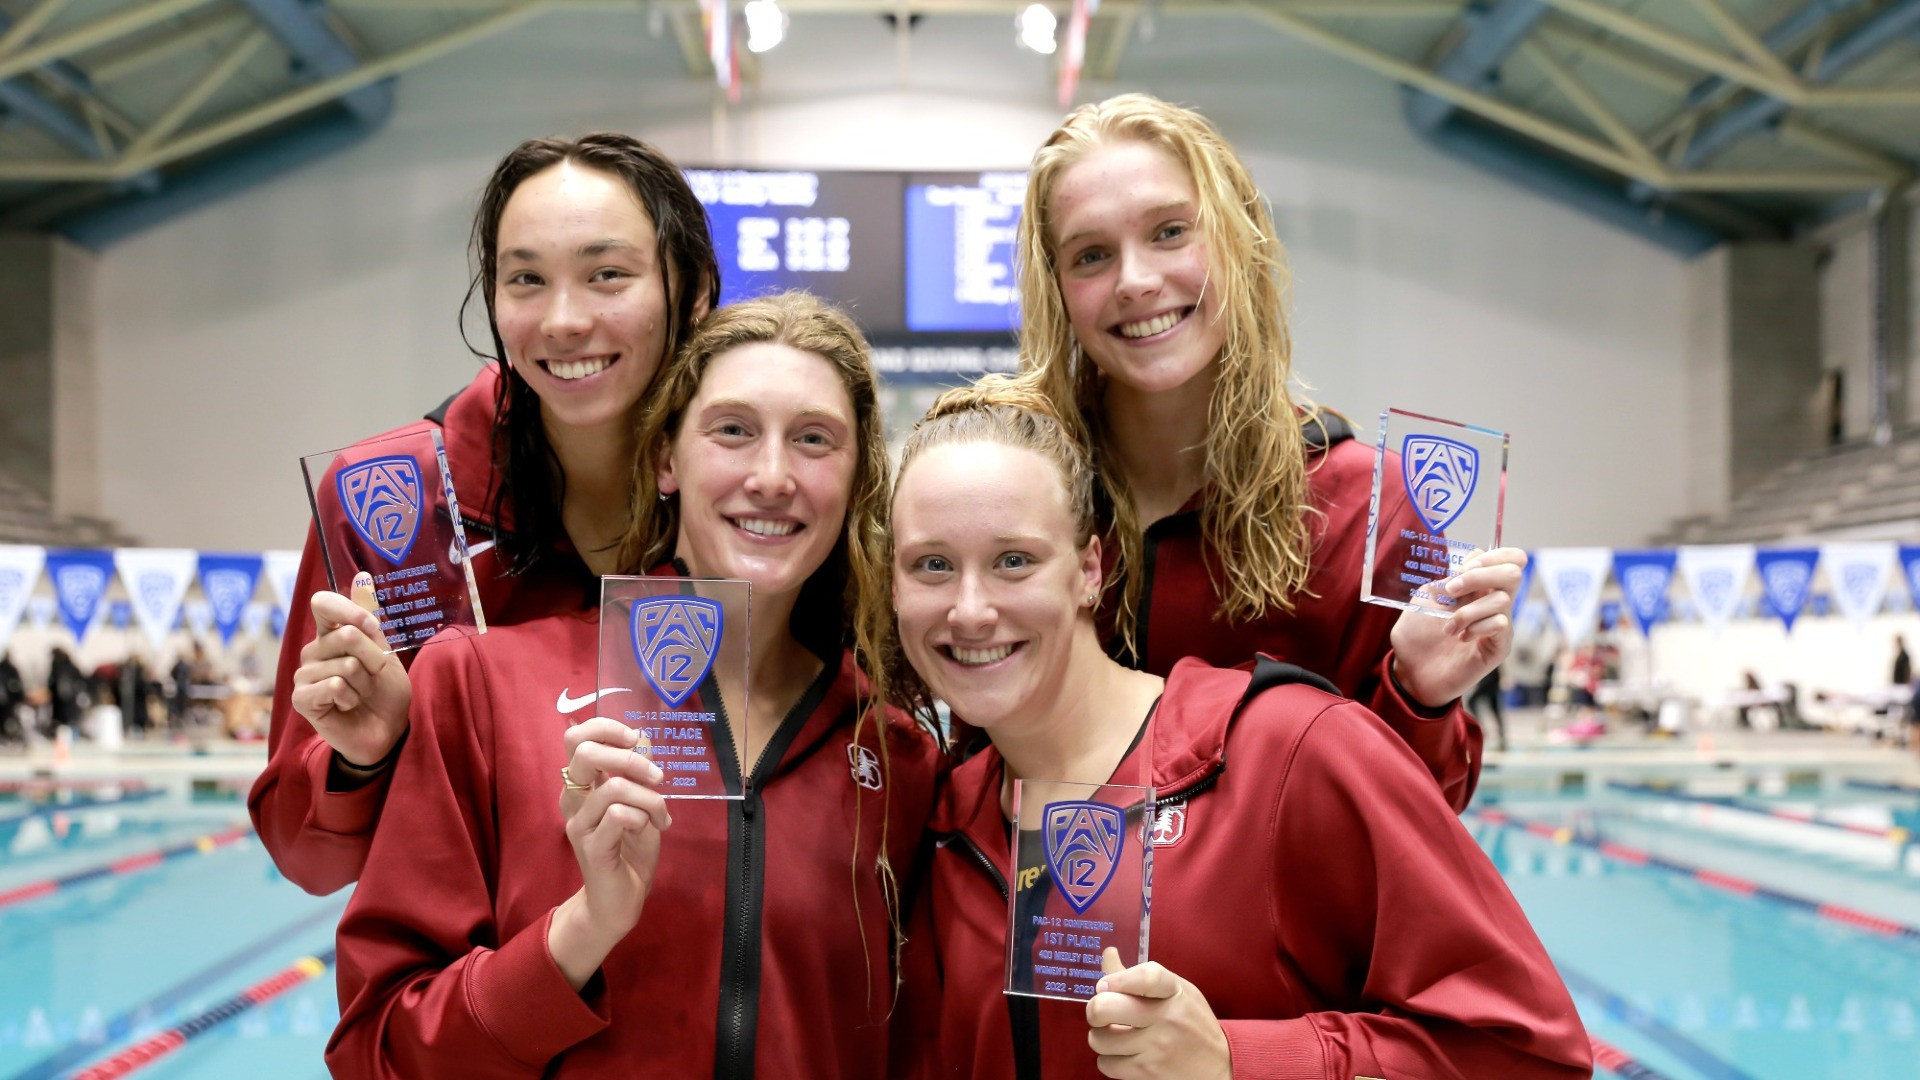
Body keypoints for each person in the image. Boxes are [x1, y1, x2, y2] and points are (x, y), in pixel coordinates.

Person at [880, 386, 1589, 1079]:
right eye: (932, 565)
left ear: (1090, 569)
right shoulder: (947, 826)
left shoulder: (1287, 754)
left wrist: (1237, 1061)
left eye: (1014, 561)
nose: (970, 611)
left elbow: (1530, 1054)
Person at [330, 293, 943, 1076]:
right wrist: (582, 930)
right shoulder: (485, 686)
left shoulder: (896, 753)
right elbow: (377, 1050)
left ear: (856, 482)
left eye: (815, 440)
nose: (772, 475)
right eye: (732, 430)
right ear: (665, 461)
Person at [1014, 94, 1525, 811]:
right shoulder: (1019, 497)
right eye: (1091, 254)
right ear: (1058, 289)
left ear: (1240, 240)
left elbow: (1420, 815)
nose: (1134, 280)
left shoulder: (1369, 504)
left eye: (1169, 232)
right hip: (1050, 916)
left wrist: (1422, 694)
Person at [250, 134, 720, 895]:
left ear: (693, 289)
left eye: (607, 275)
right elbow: (307, 858)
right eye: (526, 279)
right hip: (479, 989)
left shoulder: (744, 501)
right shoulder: (390, 498)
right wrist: (362, 756)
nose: (562, 320)